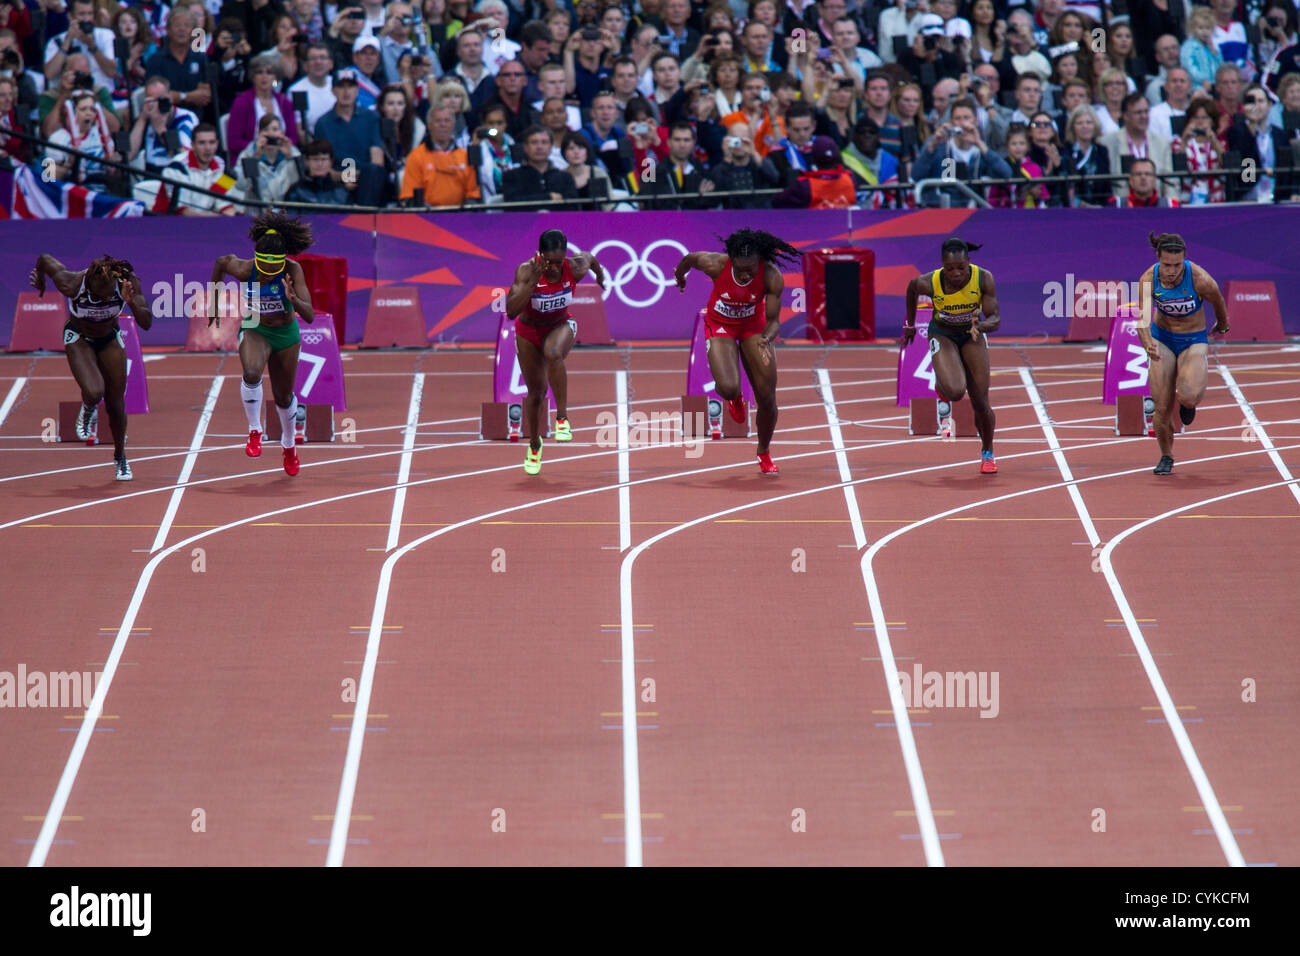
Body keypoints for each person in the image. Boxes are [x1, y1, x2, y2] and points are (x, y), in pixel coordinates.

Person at [673, 228, 797, 475]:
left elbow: (773, 321)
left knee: (767, 398)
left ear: (759, 261)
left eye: (749, 269)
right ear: (730, 259)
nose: (744, 274)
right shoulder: (715, 264)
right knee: (728, 387)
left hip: (754, 329)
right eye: (739, 268)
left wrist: (767, 339)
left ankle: (763, 451)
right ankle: (736, 399)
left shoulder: (771, 276)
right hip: (720, 325)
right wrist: (680, 277)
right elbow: (688, 260)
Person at [28, 253, 153, 481]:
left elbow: (146, 323)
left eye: (110, 297)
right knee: (95, 391)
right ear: (90, 287)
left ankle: (120, 457)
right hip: (79, 338)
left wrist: (131, 301)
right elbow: (45, 260)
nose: (106, 301)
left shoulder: (127, 282)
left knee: (116, 404)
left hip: (109, 338)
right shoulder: (71, 282)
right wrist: (41, 282)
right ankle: (88, 407)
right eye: (101, 297)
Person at [208, 213, 316, 477]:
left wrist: (293, 298)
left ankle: (289, 446)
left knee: (283, 397)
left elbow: (310, 315)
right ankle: (255, 430)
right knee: (252, 373)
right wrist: (214, 302)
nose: (268, 275)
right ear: (257, 261)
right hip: (256, 327)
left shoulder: (293, 270)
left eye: (273, 270)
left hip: (286, 333)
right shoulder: (245, 269)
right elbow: (221, 263)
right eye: (264, 270)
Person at [503, 229, 606, 476]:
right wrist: (531, 283)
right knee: (536, 394)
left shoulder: (574, 267)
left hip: (561, 325)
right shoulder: (526, 271)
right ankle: (534, 445)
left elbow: (591, 258)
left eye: (558, 262)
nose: (553, 268)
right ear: (540, 256)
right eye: (549, 263)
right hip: (528, 332)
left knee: (553, 353)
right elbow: (510, 311)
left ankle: (562, 419)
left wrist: (600, 277)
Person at [902, 237, 1001, 474]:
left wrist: (984, 326)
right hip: (943, 334)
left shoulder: (983, 278)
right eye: (949, 269)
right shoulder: (929, 282)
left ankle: (987, 453)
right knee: (955, 392)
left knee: (980, 401)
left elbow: (995, 317)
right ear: (941, 266)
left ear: (969, 263)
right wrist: (910, 323)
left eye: (961, 268)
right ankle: (942, 388)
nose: (955, 274)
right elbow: (911, 289)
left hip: (972, 334)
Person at [1135, 232, 1230, 475]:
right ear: (1158, 260)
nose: (1171, 271)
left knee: (1189, 396)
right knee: (1161, 406)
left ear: (1184, 260)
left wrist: (1222, 324)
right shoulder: (1148, 279)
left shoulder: (1199, 278)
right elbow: (1142, 320)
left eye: (1177, 265)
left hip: (1193, 340)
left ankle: (1188, 404)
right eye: (1166, 265)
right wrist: (1147, 342)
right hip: (1162, 339)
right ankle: (1166, 455)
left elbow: (1218, 300)